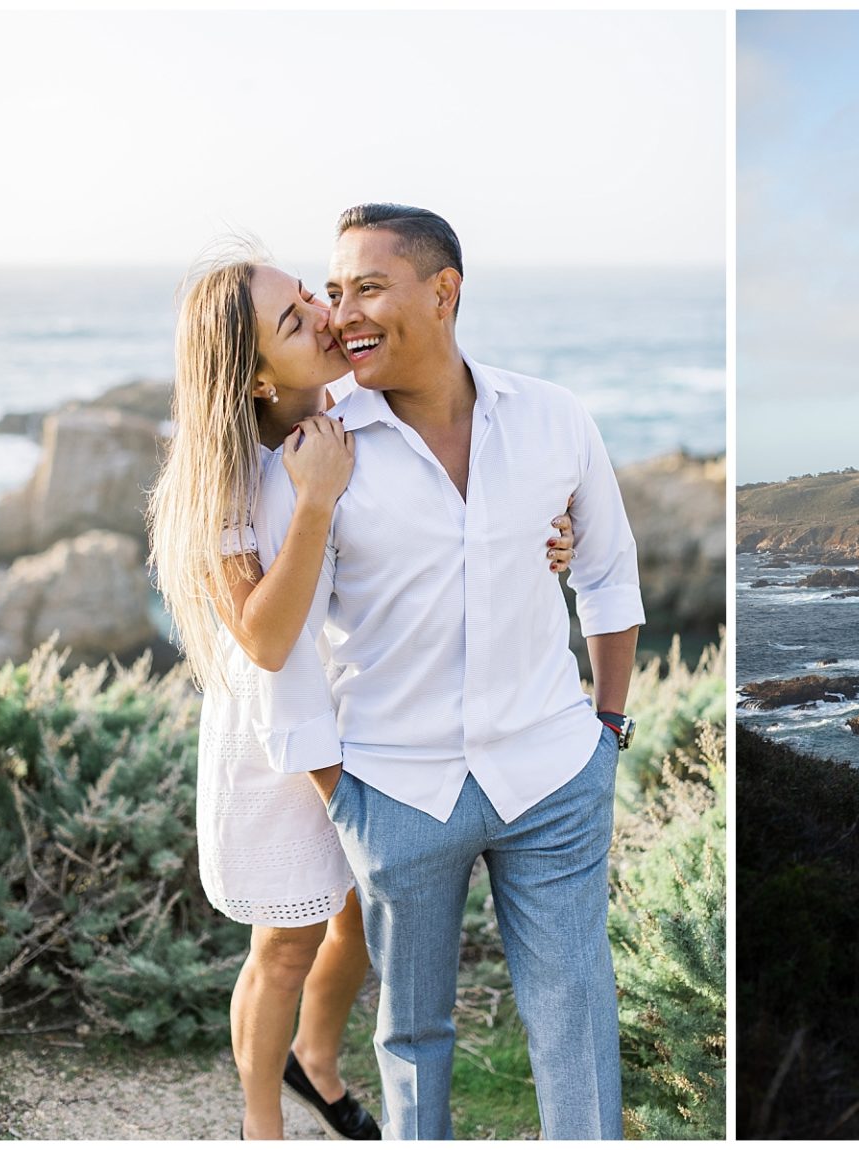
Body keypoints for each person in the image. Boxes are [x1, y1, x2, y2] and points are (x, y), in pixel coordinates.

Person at [147, 251, 577, 1140]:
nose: (325, 313)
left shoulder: (360, 409)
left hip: (365, 711)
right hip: (274, 736)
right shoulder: (225, 478)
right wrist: (312, 503)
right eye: (296, 320)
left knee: (356, 925)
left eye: (311, 293)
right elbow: (265, 641)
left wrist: (544, 533)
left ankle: (316, 1061)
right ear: (259, 376)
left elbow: (443, 518)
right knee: (287, 942)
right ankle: (260, 1123)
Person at [250, 203, 643, 1140]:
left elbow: (607, 570)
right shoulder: (315, 455)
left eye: (369, 289)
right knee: (413, 1036)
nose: (345, 314)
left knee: (576, 1022)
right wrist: (340, 790)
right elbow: (287, 649)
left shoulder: (553, 418)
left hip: (554, 774)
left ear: (444, 292)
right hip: (395, 791)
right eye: (334, 294)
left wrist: (608, 730)